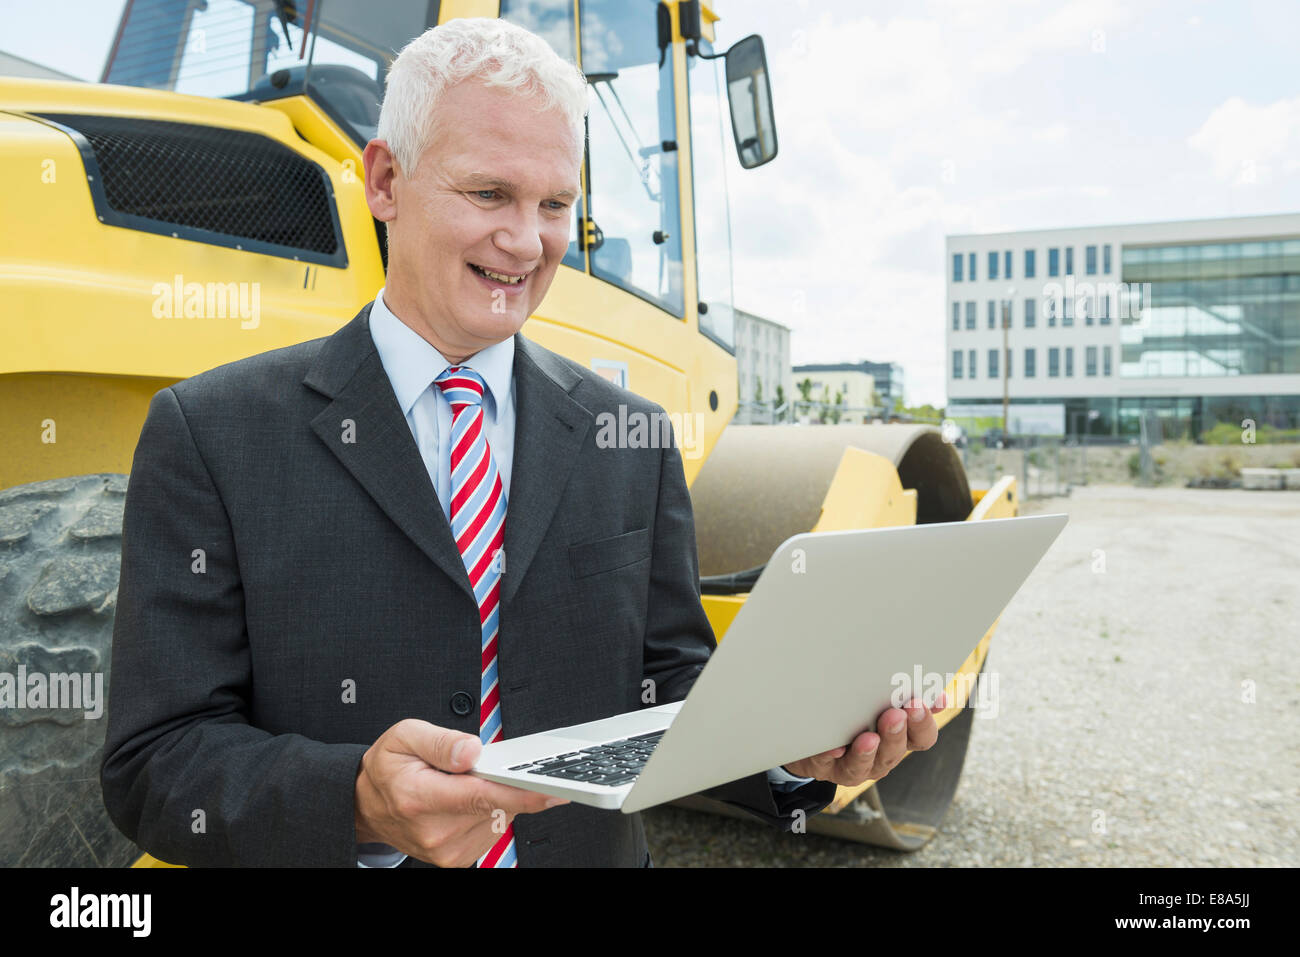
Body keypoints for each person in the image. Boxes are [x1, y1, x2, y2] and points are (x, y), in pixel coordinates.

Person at [101, 17, 942, 868]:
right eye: (489, 194)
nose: (527, 241)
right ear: (386, 180)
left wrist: (785, 747)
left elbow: (670, 689)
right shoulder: (210, 434)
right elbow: (155, 762)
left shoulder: (632, 436)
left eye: (555, 206)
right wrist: (354, 799)